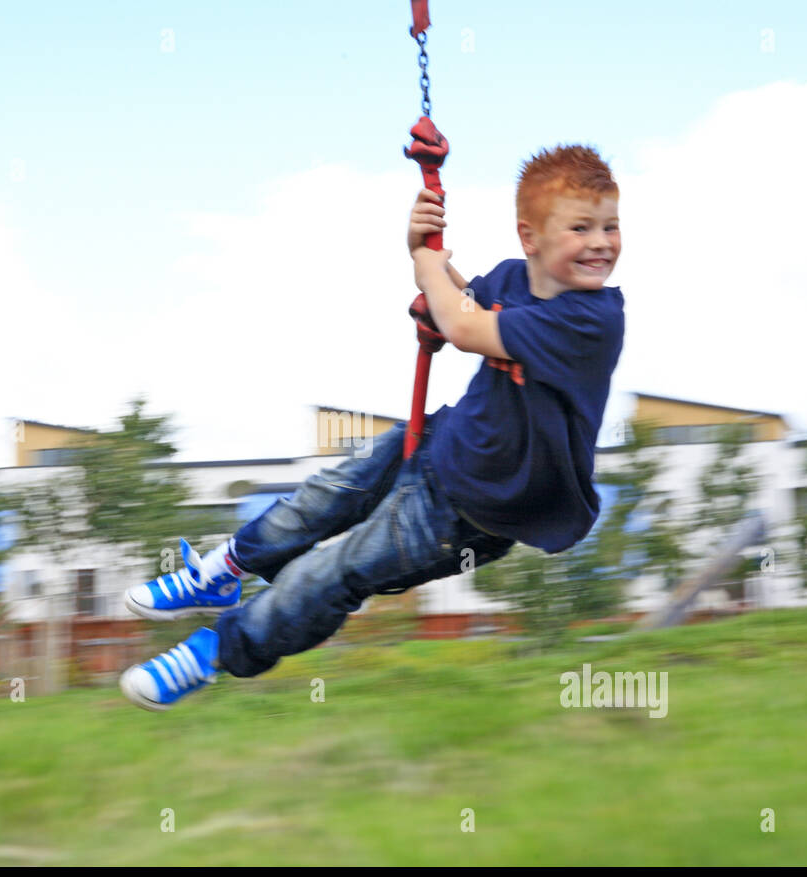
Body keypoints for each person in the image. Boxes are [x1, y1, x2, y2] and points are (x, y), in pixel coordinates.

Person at [119, 144, 625, 711]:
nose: (602, 242)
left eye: (611, 226)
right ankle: (225, 569)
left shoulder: (593, 320)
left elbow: (462, 326)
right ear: (530, 238)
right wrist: (422, 251)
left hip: (472, 514)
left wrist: (429, 273)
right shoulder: (511, 278)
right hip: (441, 443)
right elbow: (458, 301)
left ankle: (214, 651)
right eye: (582, 227)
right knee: (325, 496)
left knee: (334, 571)